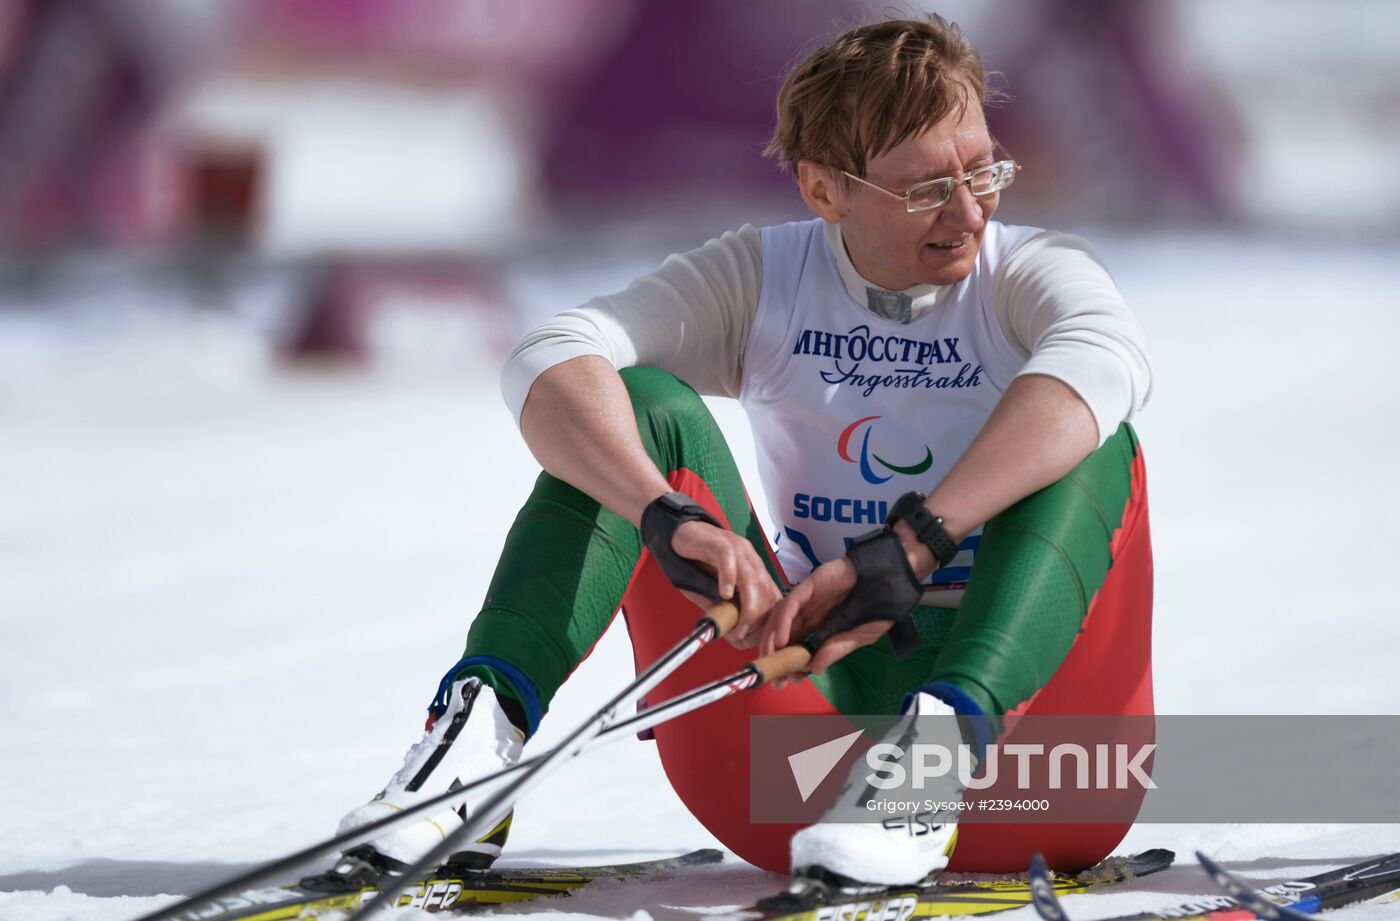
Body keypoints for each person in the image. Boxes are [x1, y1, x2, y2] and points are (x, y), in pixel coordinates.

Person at [310, 13, 1155, 893]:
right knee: (634, 408)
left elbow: (1107, 362)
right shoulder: (765, 279)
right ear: (824, 190)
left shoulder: (1029, 274)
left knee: (1094, 439)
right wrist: (658, 510)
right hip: (797, 772)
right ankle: (474, 755)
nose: (971, 209)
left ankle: (939, 750)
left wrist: (917, 542)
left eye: (983, 170)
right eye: (925, 188)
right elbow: (551, 354)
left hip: (1052, 780)